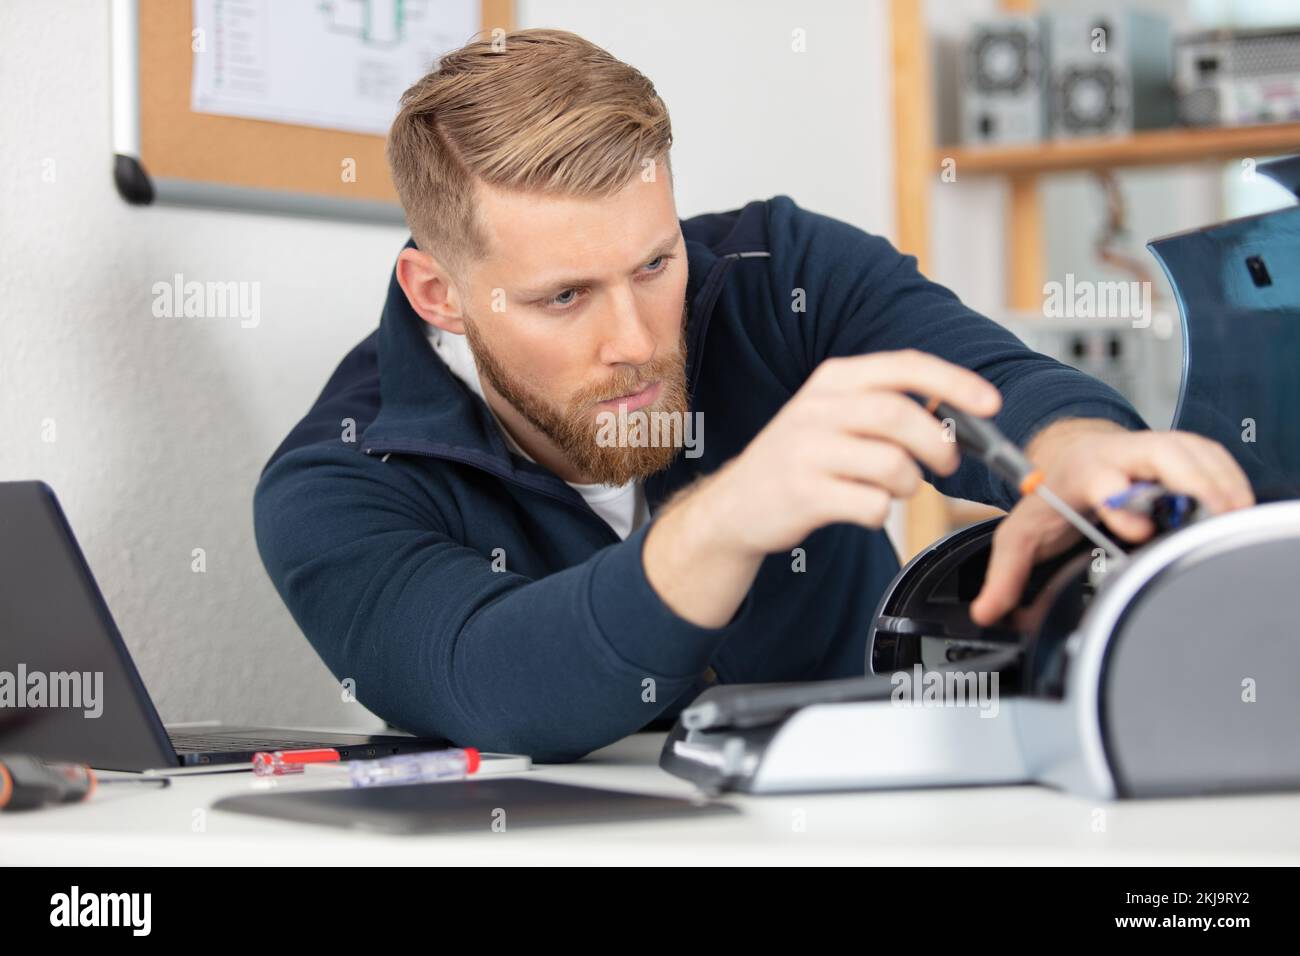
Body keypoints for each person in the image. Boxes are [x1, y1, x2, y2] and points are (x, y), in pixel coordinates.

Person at [254, 29, 1253, 761]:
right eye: (564, 296)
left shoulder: (780, 270)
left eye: (654, 263)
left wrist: (1075, 447)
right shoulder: (337, 480)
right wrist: (723, 521)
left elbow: (989, 379)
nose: (637, 342)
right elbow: (490, 680)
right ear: (439, 293)